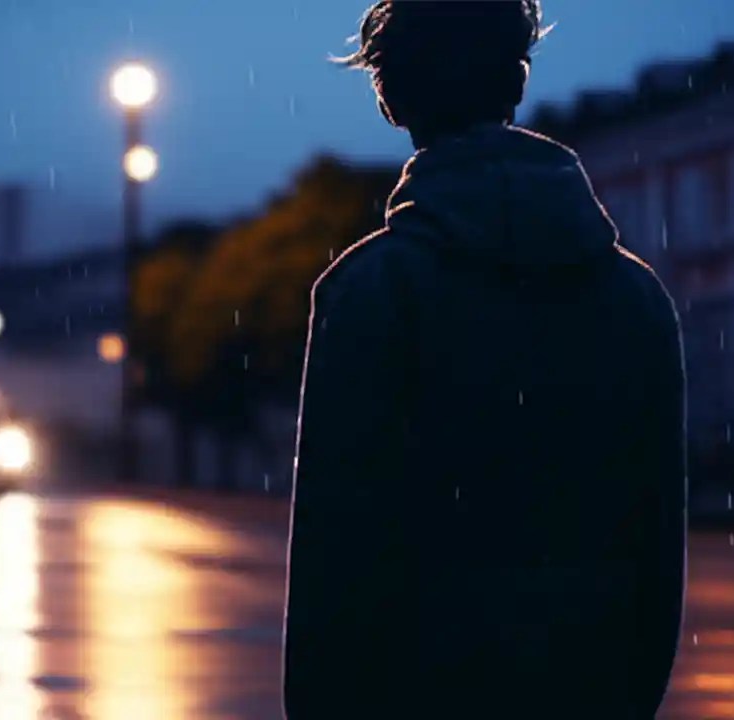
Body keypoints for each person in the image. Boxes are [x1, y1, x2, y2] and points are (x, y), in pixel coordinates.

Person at [282, 2, 687, 718]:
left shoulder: (370, 292)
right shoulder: (638, 298)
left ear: (391, 100)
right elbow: (656, 554)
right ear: (518, 78)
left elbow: (335, 559)